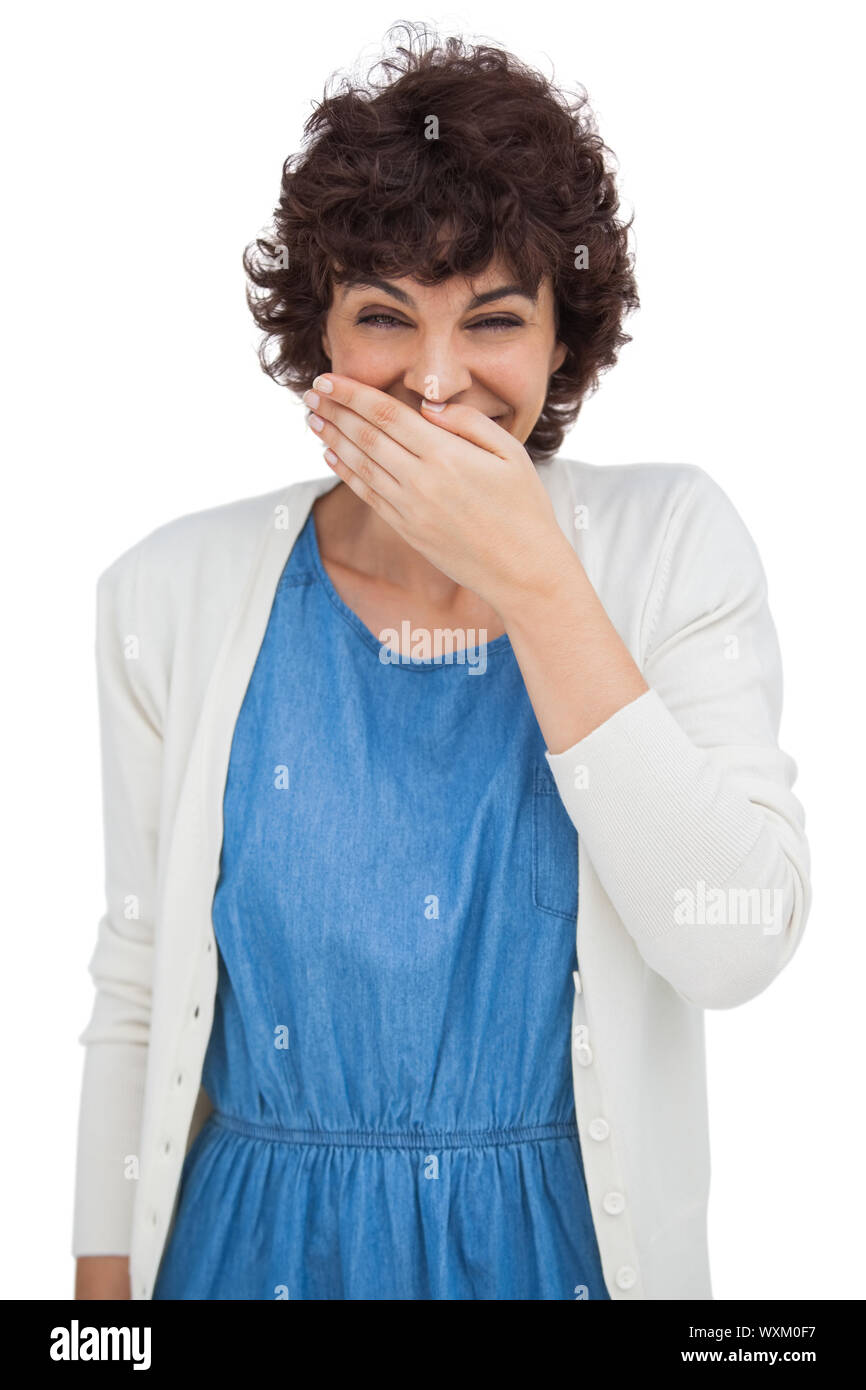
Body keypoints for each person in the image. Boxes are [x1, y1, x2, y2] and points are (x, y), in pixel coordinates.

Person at [73, 22, 810, 1301]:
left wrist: (530, 574)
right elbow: (136, 987)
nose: (431, 381)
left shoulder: (671, 544)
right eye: (380, 317)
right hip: (248, 1261)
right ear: (316, 339)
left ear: (560, 341)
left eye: (492, 320)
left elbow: (732, 941)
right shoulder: (169, 593)